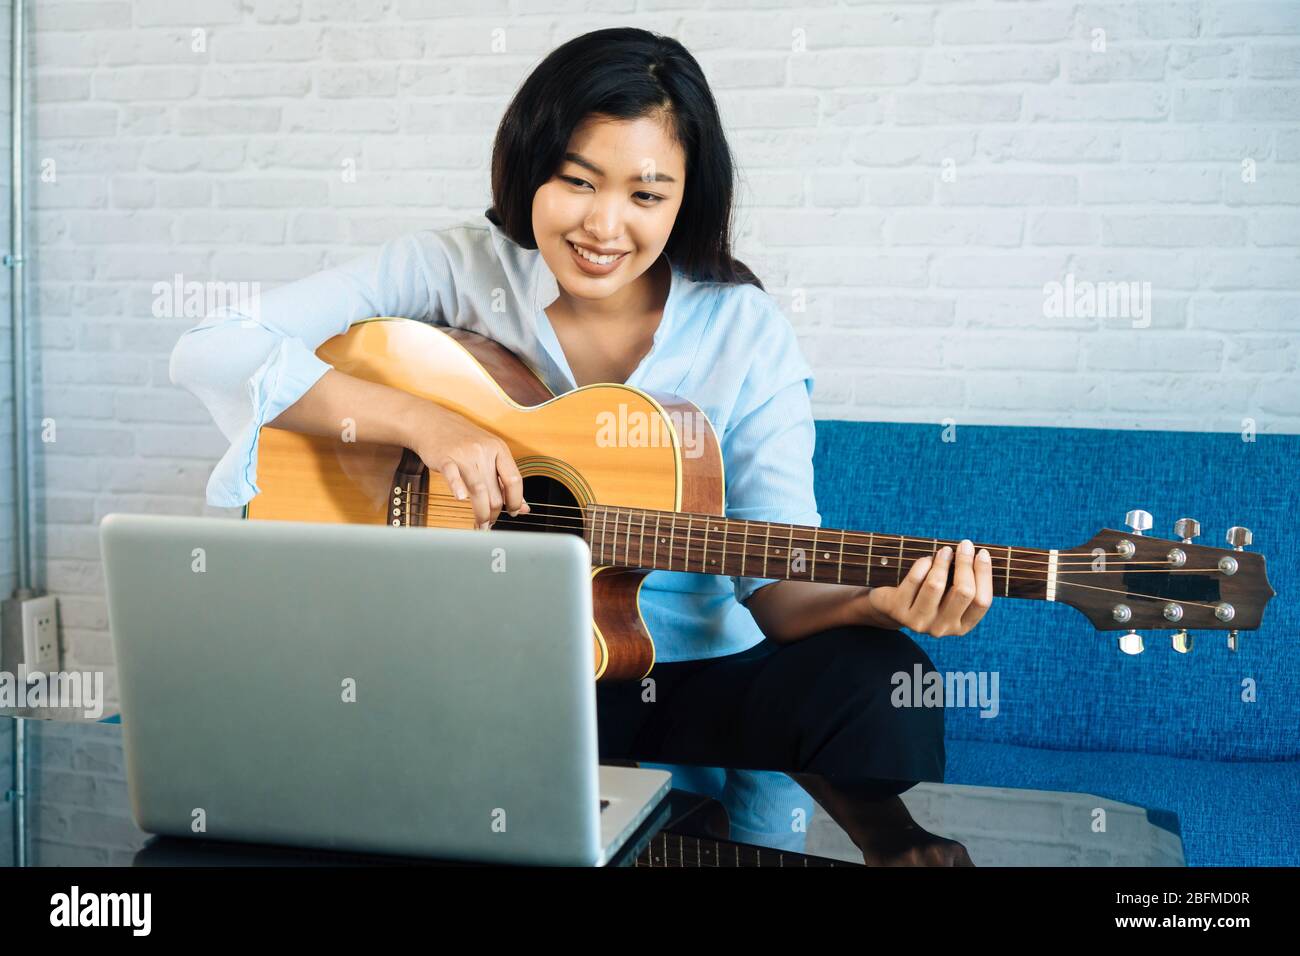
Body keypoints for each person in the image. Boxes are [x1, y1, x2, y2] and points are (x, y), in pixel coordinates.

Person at [169, 27, 992, 861]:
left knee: (882, 675)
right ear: (530, 164)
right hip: (485, 672)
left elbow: (777, 591)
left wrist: (872, 602)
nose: (604, 225)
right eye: (576, 180)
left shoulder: (744, 330)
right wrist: (424, 422)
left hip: (691, 678)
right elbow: (212, 346)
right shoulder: (457, 267)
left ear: (686, 199)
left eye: (646, 195)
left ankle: (891, 840)